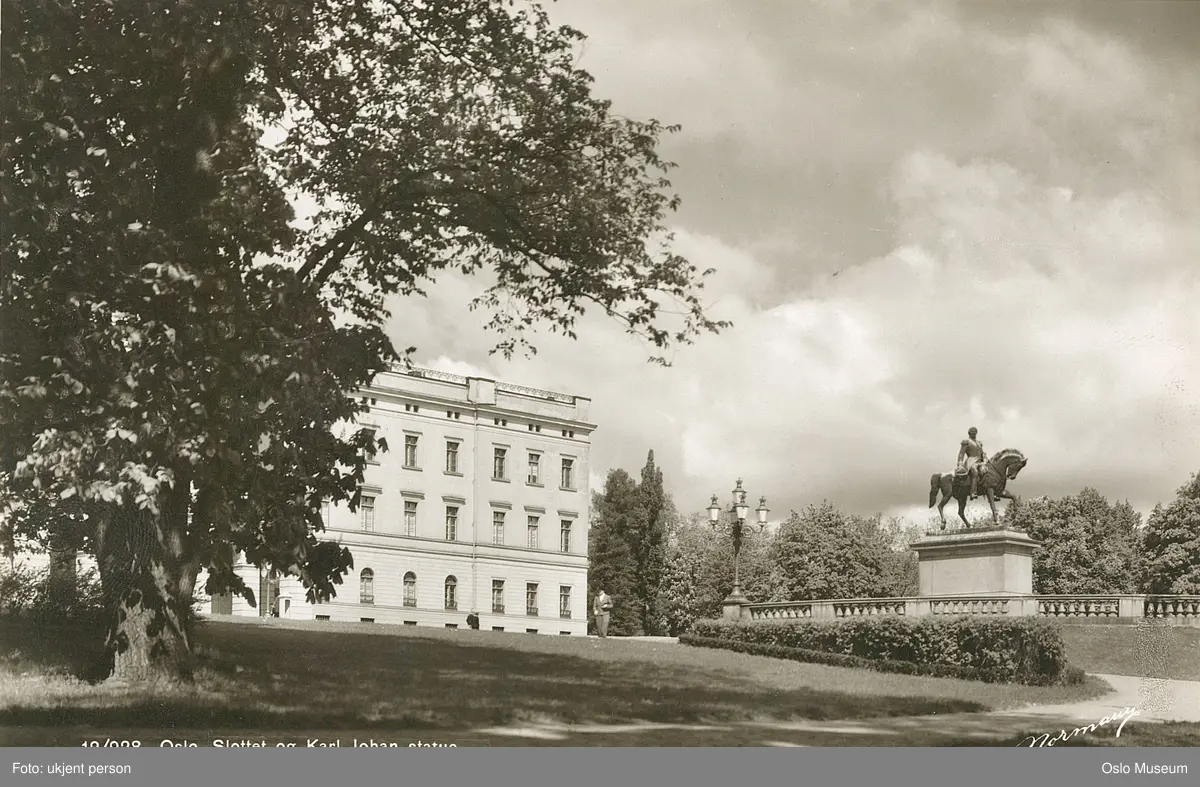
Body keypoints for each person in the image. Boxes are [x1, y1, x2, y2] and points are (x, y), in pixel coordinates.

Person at [956, 426, 988, 499]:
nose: (973, 434)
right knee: (974, 471)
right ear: (969, 433)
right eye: (972, 433)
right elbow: (961, 453)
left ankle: (987, 490)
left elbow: (981, 453)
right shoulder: (966, 442)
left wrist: (984, 456)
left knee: (987, 470)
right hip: (971, 461)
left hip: (980, 462)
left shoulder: (979, 443)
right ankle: (972, 492)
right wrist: (960, 464)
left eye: (974, 433)